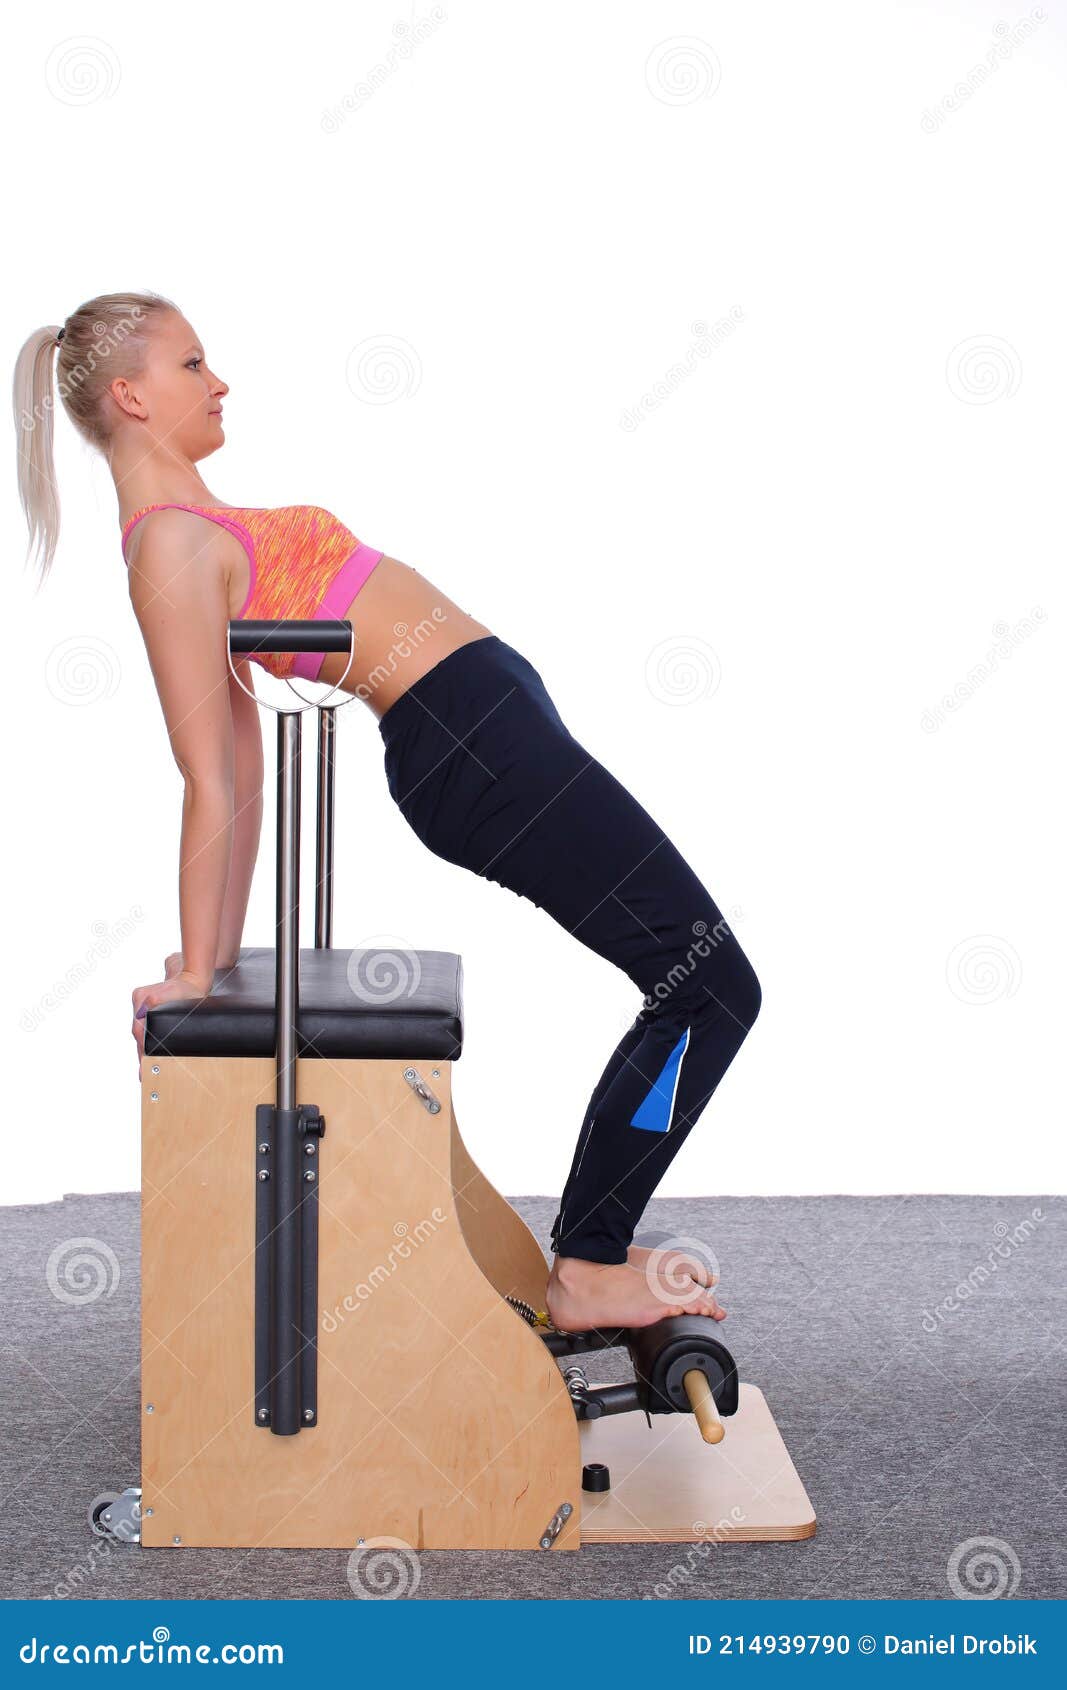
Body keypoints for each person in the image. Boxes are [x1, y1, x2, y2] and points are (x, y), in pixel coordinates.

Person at [13, 292, 762, 1334]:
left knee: (699, 978)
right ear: (131, 395)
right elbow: (215, 769)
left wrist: (213, 960)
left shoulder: (201, 524)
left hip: (490, 726)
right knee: (708, 985)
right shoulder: (169, 549)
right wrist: (197, 974)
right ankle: (588, 1262)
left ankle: (594, 1241)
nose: (219, 381)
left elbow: (244, 766)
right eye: (193, 365)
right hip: (475, 747)